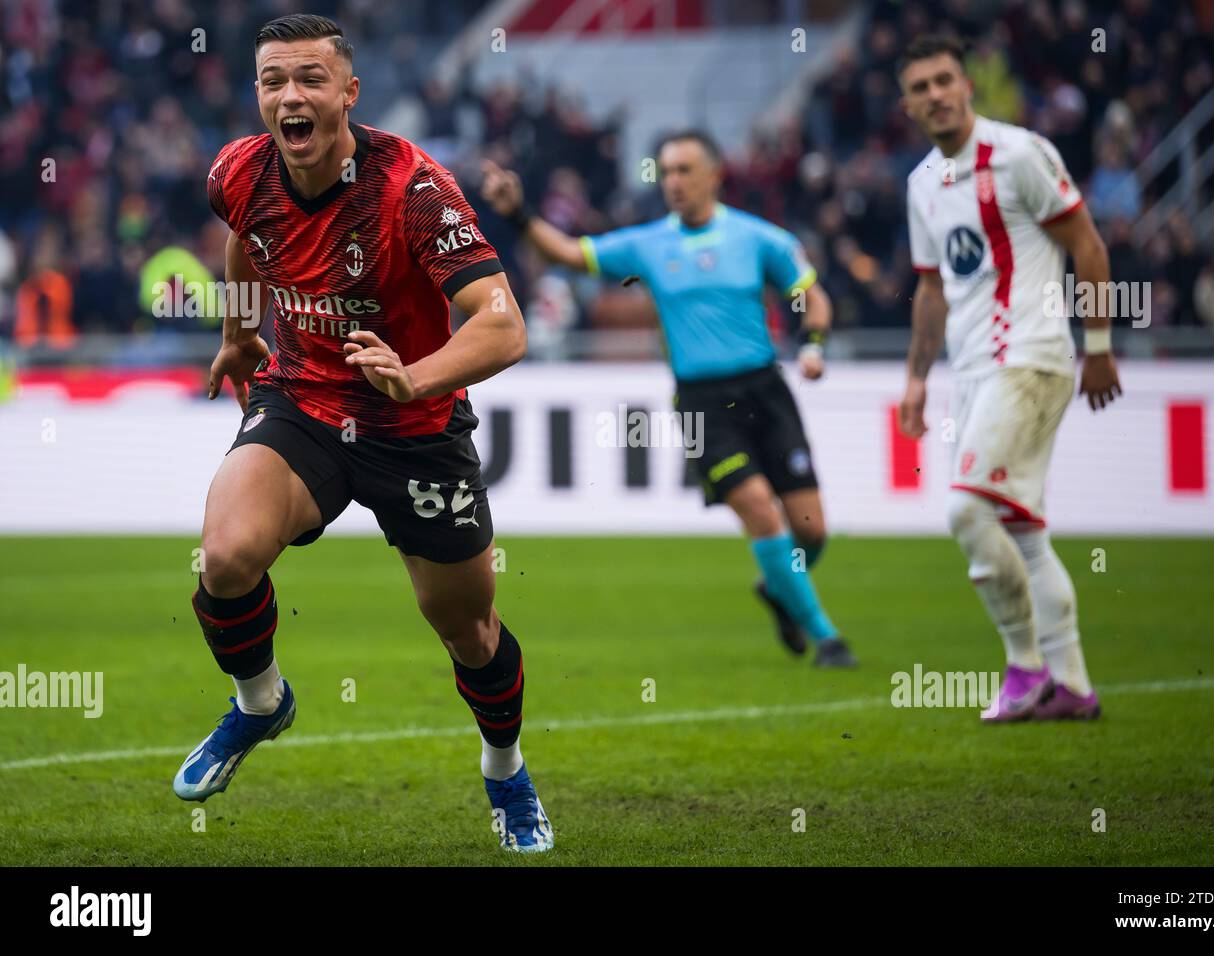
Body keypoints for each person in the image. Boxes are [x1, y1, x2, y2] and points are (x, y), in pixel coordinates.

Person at [173, 14, 552, 852]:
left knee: (468, 630)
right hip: (303, 398)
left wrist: (413, 376)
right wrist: (239, 334)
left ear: (349, 91)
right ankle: (261, 704)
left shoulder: (411, 189)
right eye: (273, 81)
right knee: (226, 557)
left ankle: (505, 771)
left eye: (310, 78)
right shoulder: (239, 170)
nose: (289, 96)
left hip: (414, 425)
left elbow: (504, 325)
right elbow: (245, 240)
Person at [482, 131, 857, 668]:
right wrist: (519, 215)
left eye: (684, 170)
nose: (673, 182)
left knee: (811, 531)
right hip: (704, 404)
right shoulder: (649, 245)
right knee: (760, 513)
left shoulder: (759, 239)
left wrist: (814, 342)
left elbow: (808, 293)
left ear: (714, 174)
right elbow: (568, 253)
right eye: (666, 173)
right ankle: (827, 638)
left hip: (765, 391)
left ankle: (779, 589)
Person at [897, 34, 1122, 721]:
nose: (935, 95)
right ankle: (1075, 685)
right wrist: (916, 380)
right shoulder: (919, 186)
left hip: (1030, 357)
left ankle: (1025, 669)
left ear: (967, 86)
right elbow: (932, 290)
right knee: (1023, 533)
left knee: (966, 509)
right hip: (972, 370)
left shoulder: (1019, 154)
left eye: (944, 81)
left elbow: (1086, 243)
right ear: (907, 105)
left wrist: (1101, 345)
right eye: (920, 87)